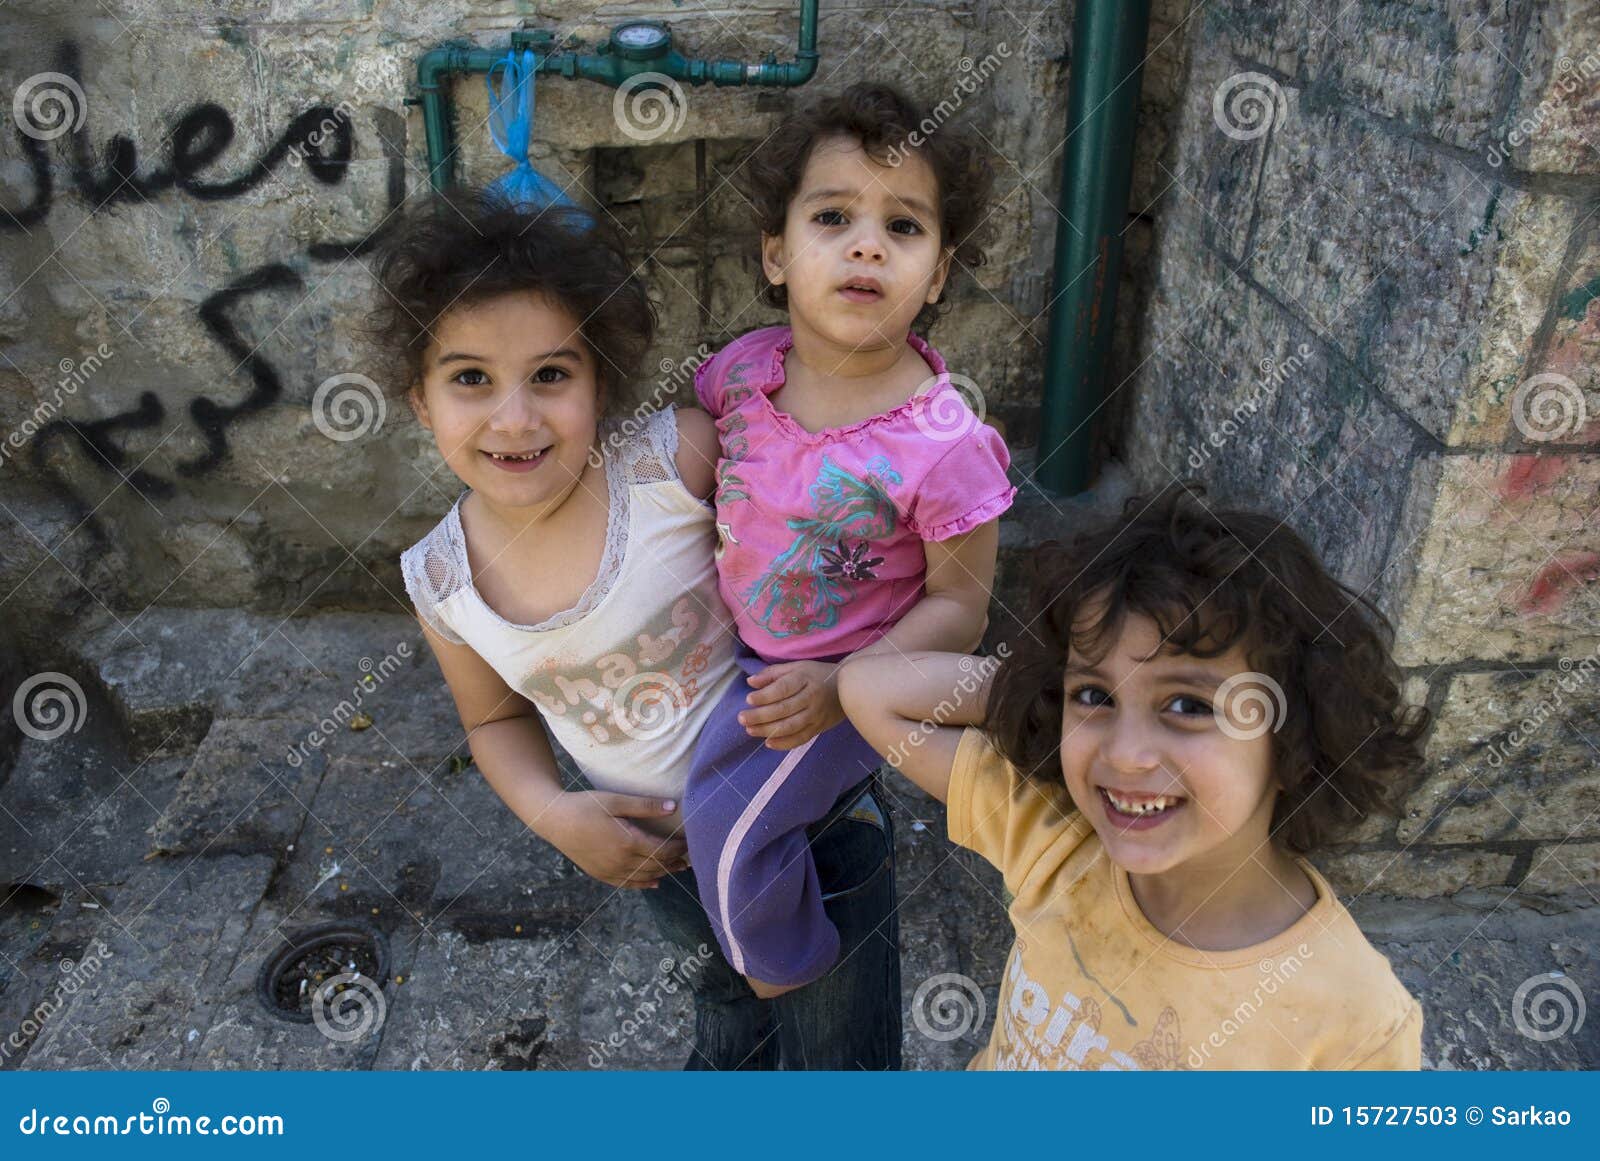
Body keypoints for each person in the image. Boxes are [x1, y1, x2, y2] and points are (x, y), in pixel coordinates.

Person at [381, 191, 896, 1069]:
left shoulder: (675, 463)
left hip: (817, 822)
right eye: (471, 378)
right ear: (420, 400)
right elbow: (494, 720)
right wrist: (553, 813)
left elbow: (820, 514)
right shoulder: (441, 582)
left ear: (600, 383)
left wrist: (853, 665)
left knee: (841, 1038)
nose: (514, 418)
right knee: (725, 1004)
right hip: (663, 857)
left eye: (550, 375)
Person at [839, 482, 1429, 1069]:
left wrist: (1085, 692)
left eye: (1189, 706)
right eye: (1096, 696)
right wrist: (1043, 696)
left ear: (1297, 737)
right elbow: (870, 690)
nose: (1125, 754)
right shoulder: (1056, 842)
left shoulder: (1357, 1024)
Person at [682, 82, 1016, 1002]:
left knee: (726, 828)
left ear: (938, 274)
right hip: (743, 654)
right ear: (777, 253)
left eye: (904, 228)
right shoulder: (744, 372)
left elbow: (960, 603)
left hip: (846, 679)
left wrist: (846, 688)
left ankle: (791, 978)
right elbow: (687, 452)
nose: (867, 243)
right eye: (833, 216)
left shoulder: (944, 444)